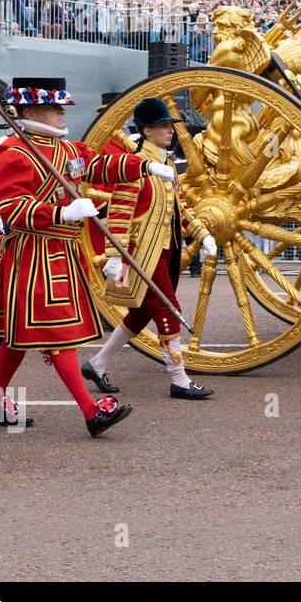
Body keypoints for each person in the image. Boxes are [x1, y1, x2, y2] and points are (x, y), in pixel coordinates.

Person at [0, 76, 170, 435]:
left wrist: (143, 167)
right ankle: (90, 409)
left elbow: (100, 166)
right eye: (54, 109)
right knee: (55, 333)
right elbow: (12, 208)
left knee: (18, 334)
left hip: (62, 251)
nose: (61, 114)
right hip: (34, 254)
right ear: (32, 110)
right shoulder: (14, 152)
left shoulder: (67, 150)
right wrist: (61, 213)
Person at [81, 98, 219, 400]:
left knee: (141, 313)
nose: (170, 131)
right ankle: (179, 379)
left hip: (165, 250)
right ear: (147, 130)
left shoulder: (166, 164)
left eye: (170, 125)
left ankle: (96, 363)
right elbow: (119, 213)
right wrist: (115, 257)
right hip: (141, 253)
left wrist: (202, 233)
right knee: (168, 310)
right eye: (163, 126)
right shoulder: (135, 166)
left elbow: (179, 208)